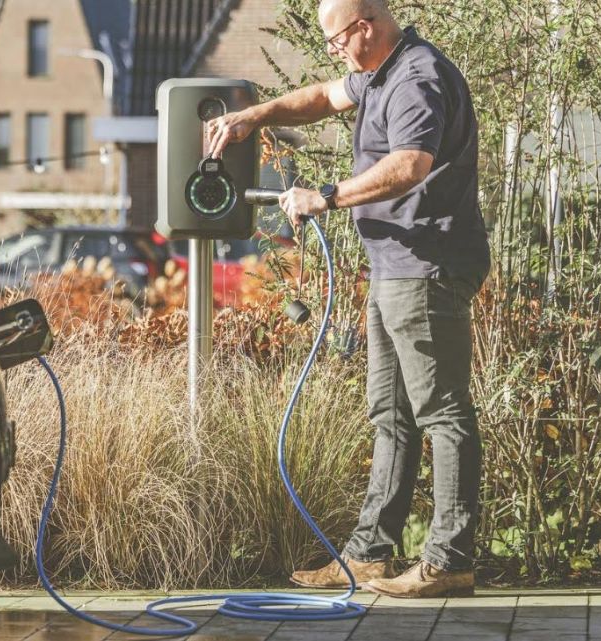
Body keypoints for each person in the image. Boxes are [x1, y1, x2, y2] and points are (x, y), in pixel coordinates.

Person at [206, 0, 491, 598]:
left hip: (428, 268)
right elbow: (322, 96)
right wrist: (254, 116)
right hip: (393, 268)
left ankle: (448, 561)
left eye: (337, 40)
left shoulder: (418, 78)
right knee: (390, 414)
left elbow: (411, 164)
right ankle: (369, 555)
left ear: (365, 28)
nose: (334, 53)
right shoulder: (379, 72)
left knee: (442, 412)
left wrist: (327, 196)